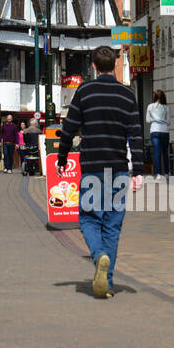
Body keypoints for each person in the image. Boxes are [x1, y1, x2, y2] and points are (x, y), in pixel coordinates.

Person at [57, 47, 145, 299]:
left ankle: (98, 256)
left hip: (92, 167)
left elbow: (69, 127)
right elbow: (136, 134)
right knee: (112, 226)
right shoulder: (127, 94)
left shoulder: (84, 91)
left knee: (88, 218)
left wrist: (62, 157)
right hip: (118, 168)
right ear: (115, 65)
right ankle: (106, 280)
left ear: (94, 66)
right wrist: (137, 170)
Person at [146, 90, 169, 176]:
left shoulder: (150, 106)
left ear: (154, 97)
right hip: (164, 131)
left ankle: (159, 173)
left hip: (154, 130)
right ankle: (167, 172)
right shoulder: (166, 107)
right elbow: (169, 121)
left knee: (157, 152)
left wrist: (154, 119)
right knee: (165, 152)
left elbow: (148, 120)